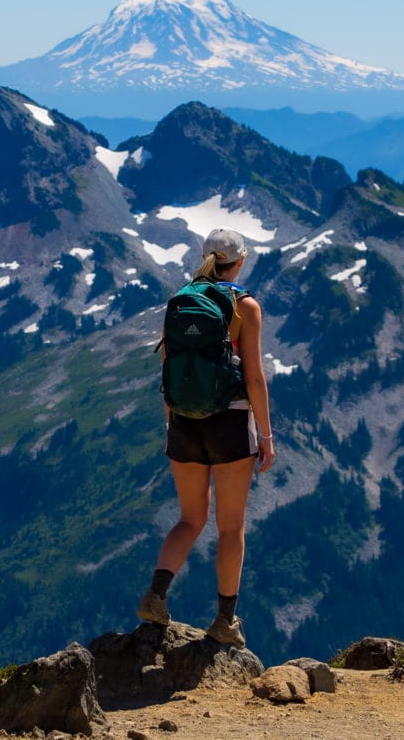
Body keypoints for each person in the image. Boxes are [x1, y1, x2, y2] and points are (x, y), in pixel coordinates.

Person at [136, 227, 276, 647]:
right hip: (229, 424)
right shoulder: (244, 305)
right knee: (230, 528)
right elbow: (252, 376)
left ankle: (156, 596)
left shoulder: (180, 301)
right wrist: (265, 435)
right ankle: (225, 622)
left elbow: (168, 366)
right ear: (241, 261)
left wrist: (171, 422)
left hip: (183, 422)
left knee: (190, 519)